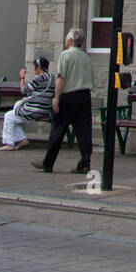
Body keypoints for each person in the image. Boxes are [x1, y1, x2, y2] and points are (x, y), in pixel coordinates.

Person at [31, 29, 94, 174]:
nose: (65, 40)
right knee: (84, 131)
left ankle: (48, 162)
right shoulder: (85, 56)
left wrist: (56, 98)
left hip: (69, 95)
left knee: (58, 129)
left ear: (70, 40)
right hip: (84, 95)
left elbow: (61, 77)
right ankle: (85, 163)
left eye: (66, 38)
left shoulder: (66, 55)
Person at [0, 56, 54, 150]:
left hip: (34, 109)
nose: (34, 70)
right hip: (45, 109)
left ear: (38, 67)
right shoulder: (52, 78)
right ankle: (22, 140)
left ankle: (10, 143)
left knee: (9, 116)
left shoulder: (38, 78)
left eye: (34, 67)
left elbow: (24, 91)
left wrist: (22, 77)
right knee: (14, 115)